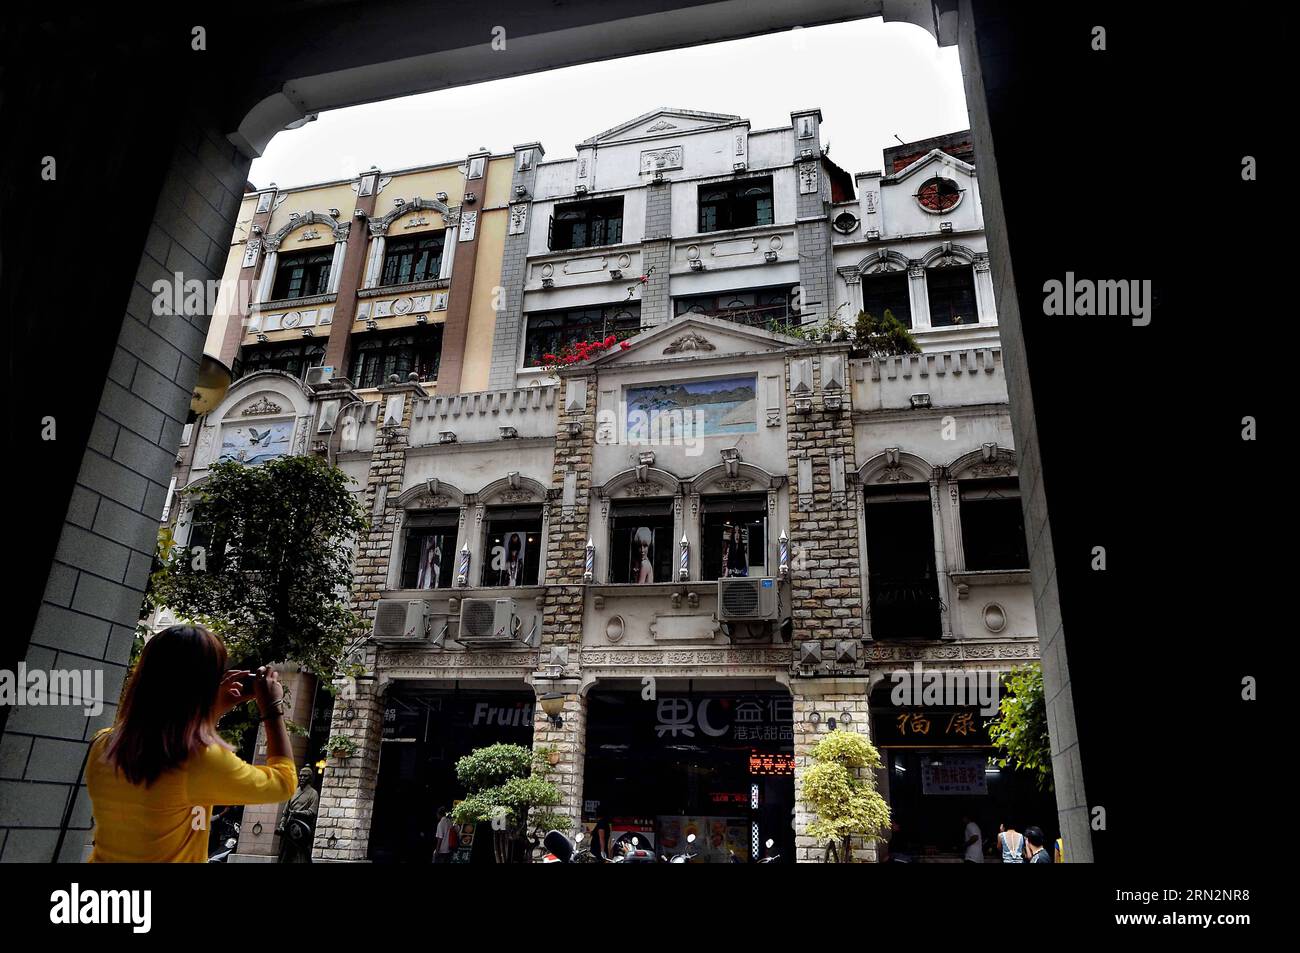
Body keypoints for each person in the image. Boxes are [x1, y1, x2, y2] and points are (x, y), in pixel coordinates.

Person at [86, 624, 297, 863]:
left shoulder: (102, 743)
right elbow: (283, 782)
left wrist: (214, 710)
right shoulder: (197, 761)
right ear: (203, 686)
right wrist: (271, 709)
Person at [277, 766, 319, 863]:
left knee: (301, 855)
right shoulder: (294, 792)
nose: (302, 778)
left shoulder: (313, 793)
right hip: (289, 828)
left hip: (302, 829)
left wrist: (298, 813)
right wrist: (282, 824)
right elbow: (286, 811)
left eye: (305, 776)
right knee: (285, 855)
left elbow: (312, 812)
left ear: (310, 778)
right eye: (300, 776)